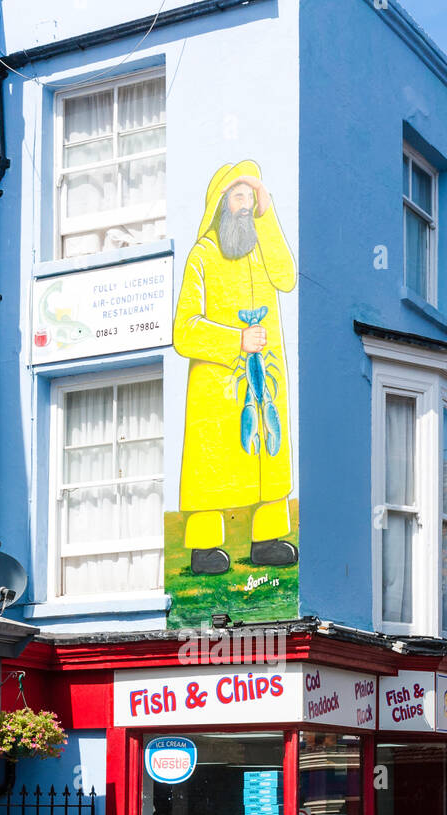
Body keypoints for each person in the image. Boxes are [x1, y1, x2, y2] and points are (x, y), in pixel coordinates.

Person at [173, 160, 297, 576]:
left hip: (267, 380)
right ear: (221, 203)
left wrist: (270, 210)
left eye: (251, 198)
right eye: (238, 197)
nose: (245, 206)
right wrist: (235, 341)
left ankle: (267, 540)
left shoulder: (262, 250)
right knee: (215, 467)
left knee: (269, 451)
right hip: (217, 388)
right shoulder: (201, 256)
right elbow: (183, 331)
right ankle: (205, 547)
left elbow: (287, 277)